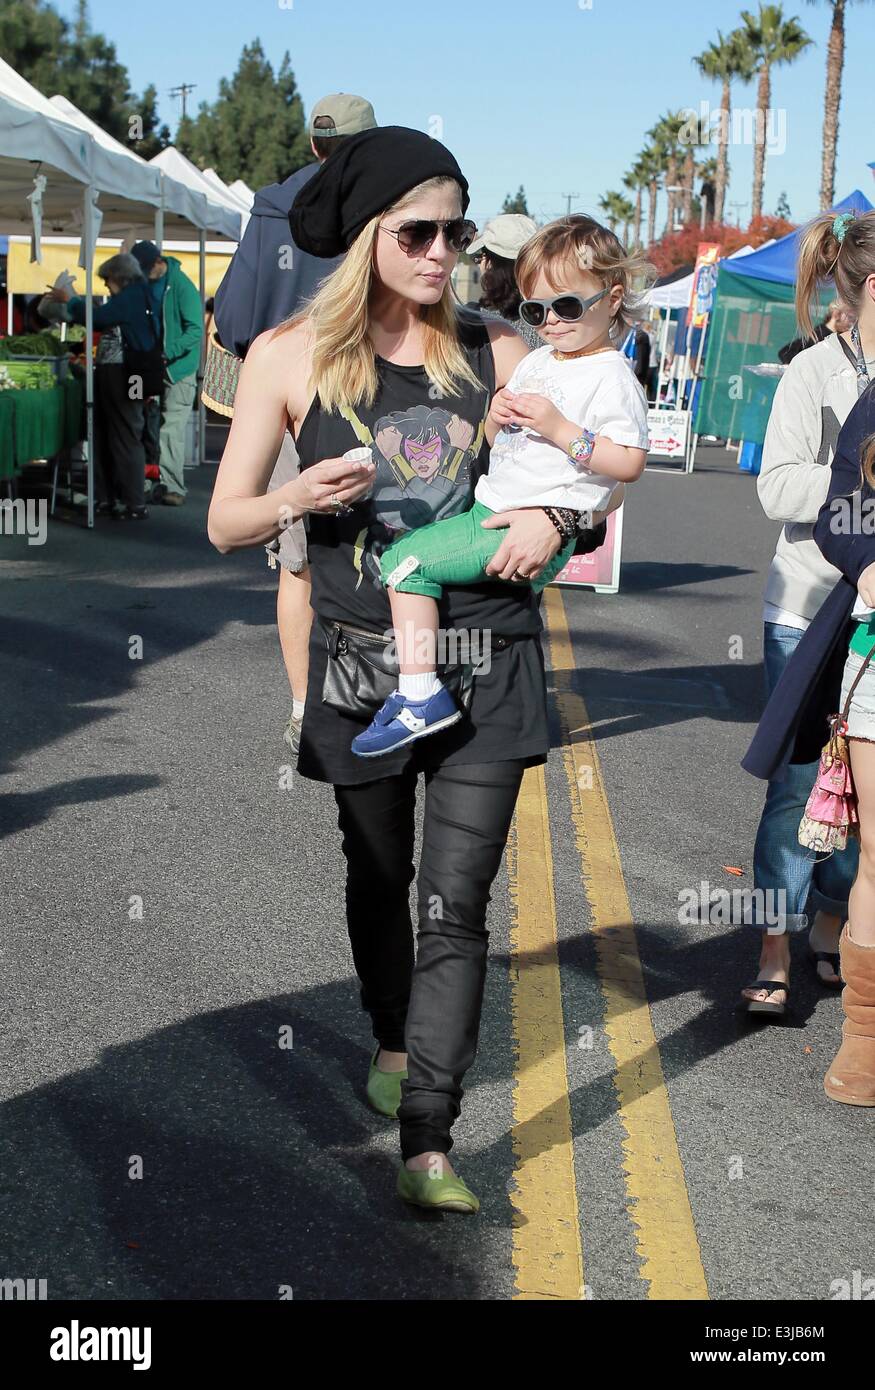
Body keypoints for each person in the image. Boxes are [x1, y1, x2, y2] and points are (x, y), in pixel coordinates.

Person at [207, 127, 613, 1213]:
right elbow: (224, 521)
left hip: (489, 658)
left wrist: (554, 529)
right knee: (378, 874)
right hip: (357, 664)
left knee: (457, 902)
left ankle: (429, 1136)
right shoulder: (286, 356)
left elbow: (589, 490)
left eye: (457, 230)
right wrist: (299, 497)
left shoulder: (499, 352)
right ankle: (390, 1033)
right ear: (365, 237)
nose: (443, 252)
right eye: (418, 231)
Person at [351, 215, 648, 757]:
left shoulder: (611, 375)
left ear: (612, 298)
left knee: (404, 565)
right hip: (491, 509)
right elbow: (495, 437)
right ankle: (430, 690)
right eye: (536, 310)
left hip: (522, 523)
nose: (551, 322)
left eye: (566, 306)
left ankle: (419, 696)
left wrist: (561, 430)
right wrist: (498, 414)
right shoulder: (539, 358)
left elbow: (627, 463)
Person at [742, 209, 875, 1029]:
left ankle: (832, 918)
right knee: (796, 794)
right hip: (806, 611)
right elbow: (772, 488)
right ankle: (772, 950)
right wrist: (855, 484)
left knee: (862, 801)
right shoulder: (812, 373)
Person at [213, 93, 377, 756]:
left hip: (288, 401)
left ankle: (305, 705)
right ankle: (382, 698)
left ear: (312, 144)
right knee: (383, 554)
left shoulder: (272, 206)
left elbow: (233, 318)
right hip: (374, 394)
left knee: (297, 570)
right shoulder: (384, 207)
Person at [51, 252, 158, 520]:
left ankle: (131, 501)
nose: (106, 286)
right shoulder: (144, 294)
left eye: (108, 280)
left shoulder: (131, 296)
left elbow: (99, 318)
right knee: (120, 431)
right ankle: (113, 497)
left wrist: (71, 301)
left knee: (122, 433)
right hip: (135, 374)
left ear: (119, 277)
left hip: (120, 372)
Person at [129, 241, 203, 508]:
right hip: (154, 367)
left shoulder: (182, 286)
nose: (146, 276)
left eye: (148, 270)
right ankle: (149, 482)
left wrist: (166, 353)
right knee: (147, 427)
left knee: (170, 430)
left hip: (177, 370)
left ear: (159, 262)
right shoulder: (148, 283)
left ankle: (173, 487)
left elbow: (195, 331)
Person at [468, 214, 541, 348]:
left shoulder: (475, 323)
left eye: (481, 255)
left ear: (491, 264)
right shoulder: (552, 323)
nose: (479, 264)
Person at [778, 300, 856, 365]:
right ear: (836, 314)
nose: (851, 324)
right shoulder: (817, 336)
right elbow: (784, 353)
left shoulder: (839, 339)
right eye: (850, 318)